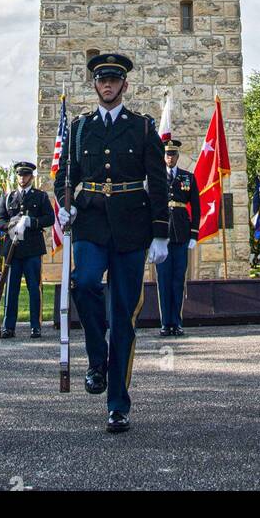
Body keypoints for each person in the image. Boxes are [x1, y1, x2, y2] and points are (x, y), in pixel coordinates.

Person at [54, 53, 169, 434]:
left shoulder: (142, 127)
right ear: (95, 85)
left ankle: (117, 403)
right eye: (102, 80)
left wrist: (161, 231)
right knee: (84, 283)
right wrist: (63, 205)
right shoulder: (81, 127)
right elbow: (65, 174)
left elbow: (158, 180)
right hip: (90, 221)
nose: (107, 85)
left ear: (124, 85)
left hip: (132, 225)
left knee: (123, 316)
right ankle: (96, 357)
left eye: (114, 80)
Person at [0, 161, 54, 338]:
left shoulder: (40, 197)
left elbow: (49, 218)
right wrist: (9, 224)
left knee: (33, 288)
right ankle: (8, 326)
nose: (22, 178)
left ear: (31, 177)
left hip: (32, 249)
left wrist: (33, 222)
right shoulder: (9, 197)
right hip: (13, 249)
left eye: (26, 175)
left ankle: (35, 325)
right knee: (11, 288)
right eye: (20, 175)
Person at [156, 139, 200, 337]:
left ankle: (177, 321)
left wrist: (193, 234)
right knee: (164, 280)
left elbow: (196, 208)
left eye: (173, 154)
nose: (170, 157)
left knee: (178, 280)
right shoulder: (156, 177)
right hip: (162, 235)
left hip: (181, 234)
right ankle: (166, 323)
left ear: (177, 156)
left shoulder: (187, 177)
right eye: (167, 154)